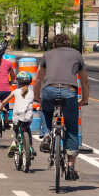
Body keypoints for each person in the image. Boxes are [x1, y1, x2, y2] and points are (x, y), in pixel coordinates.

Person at [31, 33, 89, 181]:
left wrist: (37, 96)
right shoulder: (77, 54)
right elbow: (84, 81)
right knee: (72, 128)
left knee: (45, 111)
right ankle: (70, 168)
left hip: (49, 90)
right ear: (69, 43)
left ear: (53, 44)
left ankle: (47, 134)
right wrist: (84, 99)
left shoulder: (47, 55)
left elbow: (38, 78)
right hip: (69, 92)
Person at [4, 71, 37, 158]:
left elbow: (6, 101)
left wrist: (1, 106)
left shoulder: (15, 91)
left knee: (15, 129)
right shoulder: (32, 92)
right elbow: (37, 100)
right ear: (29, 82)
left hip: (17, 117)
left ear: (18, 82)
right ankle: (30, 147)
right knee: (27, 129)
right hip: (27, 117)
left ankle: (14, 142)